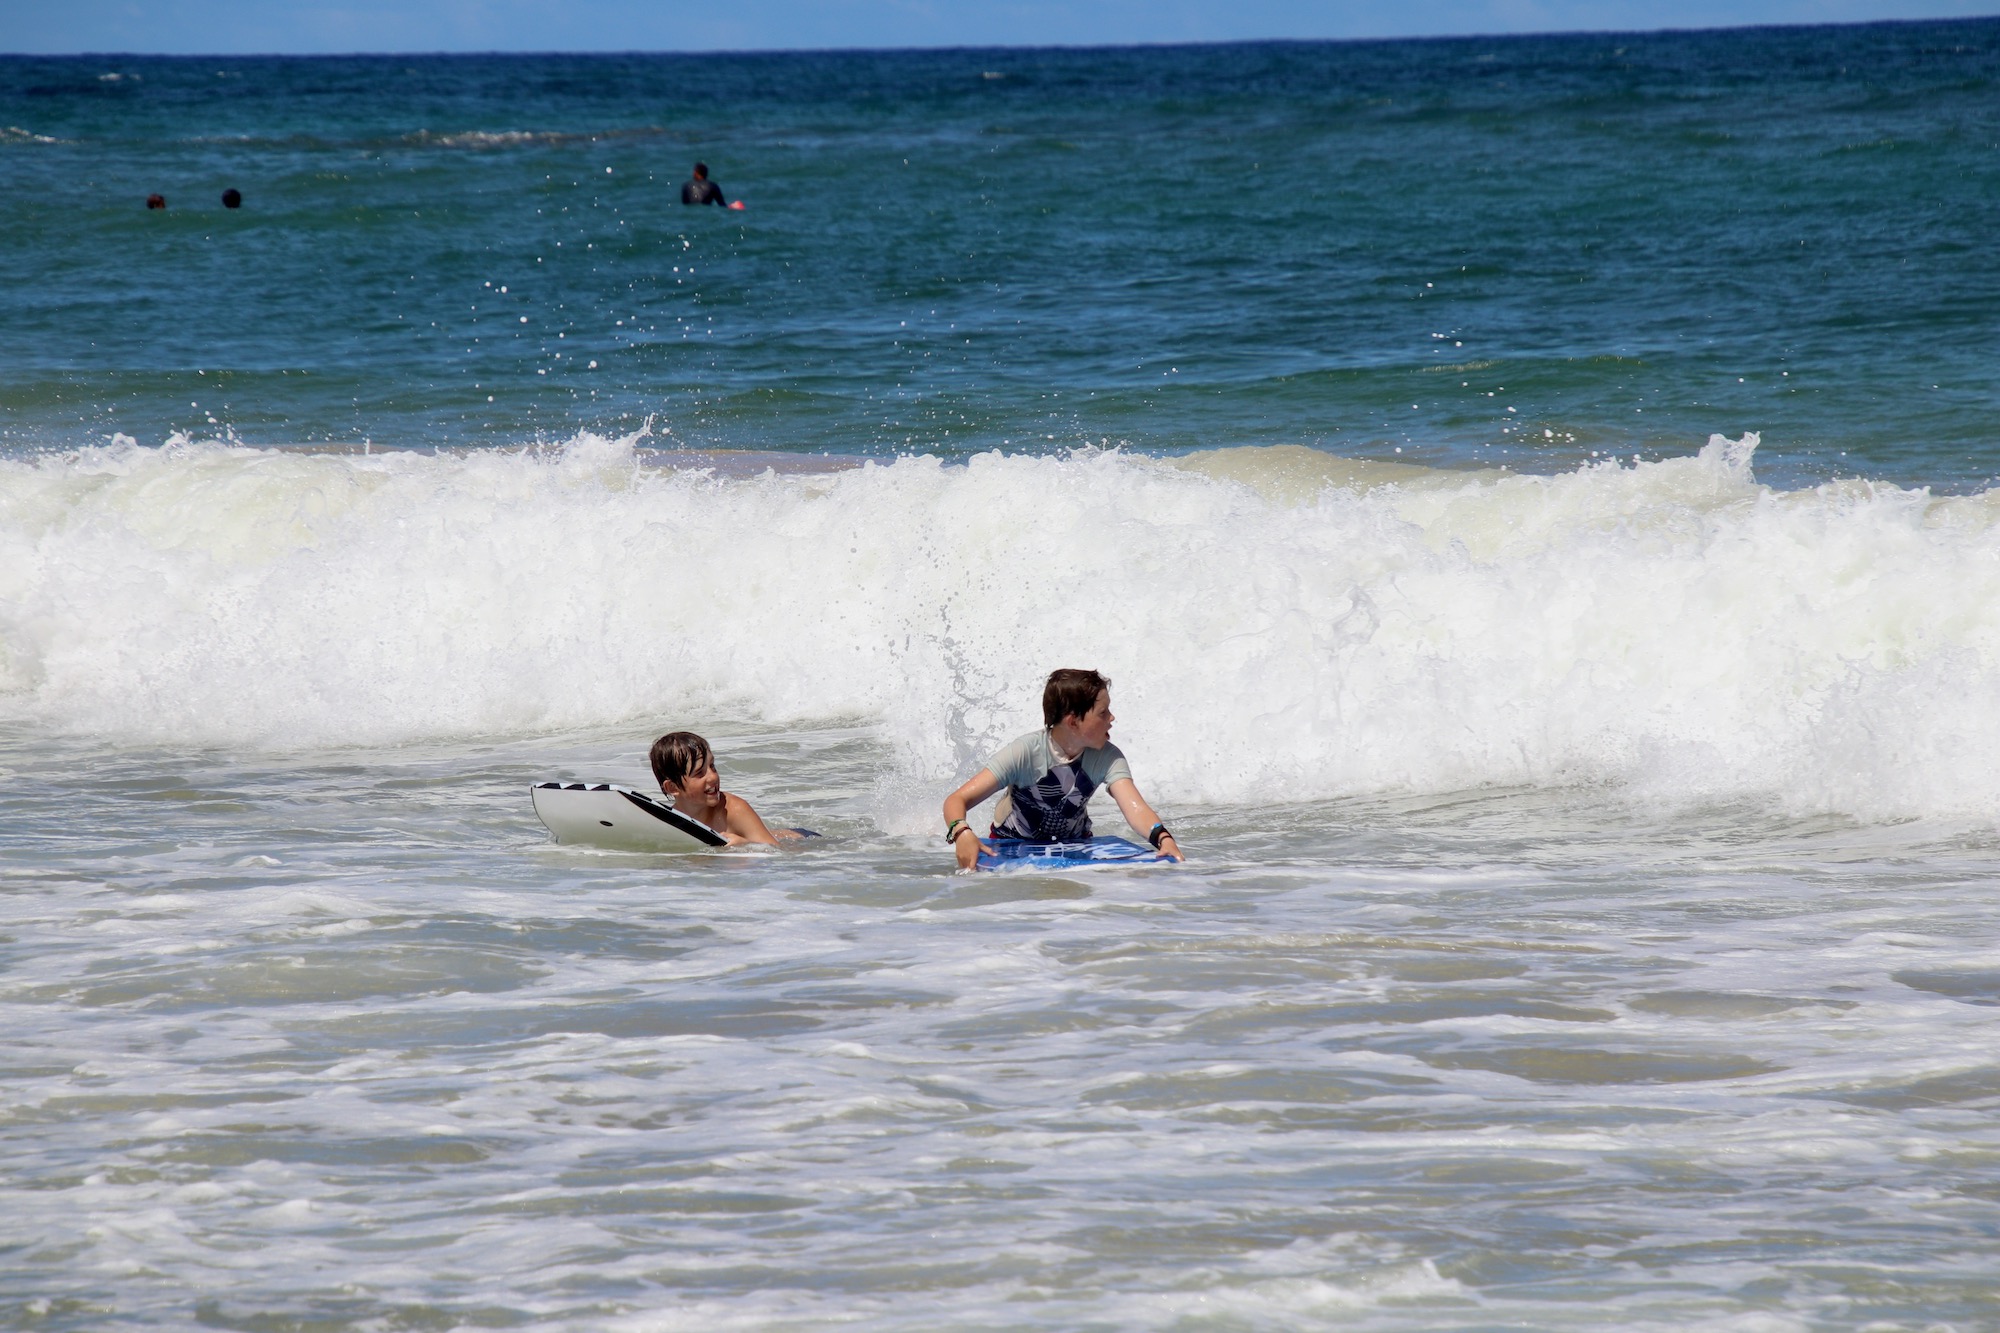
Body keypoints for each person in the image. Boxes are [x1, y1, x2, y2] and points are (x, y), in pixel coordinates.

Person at [941, 668, 1183, 871]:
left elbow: (1136, 808)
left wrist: (1163, 838)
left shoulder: (1107, 756)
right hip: (1009, 846)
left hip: (1075, 847)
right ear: (1073, 721)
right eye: (1103, 712)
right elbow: (957, 800)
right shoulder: (1025, 752)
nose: (1112, 718)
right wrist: (962, 833)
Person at [650, 731, 803, 846]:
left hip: (802, 839)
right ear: (672, 787)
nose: (713, 777)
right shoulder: (671, 822)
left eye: (712, 766)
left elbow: (778, 854)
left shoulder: (734, 809)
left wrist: (745, 845)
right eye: (699, 773)